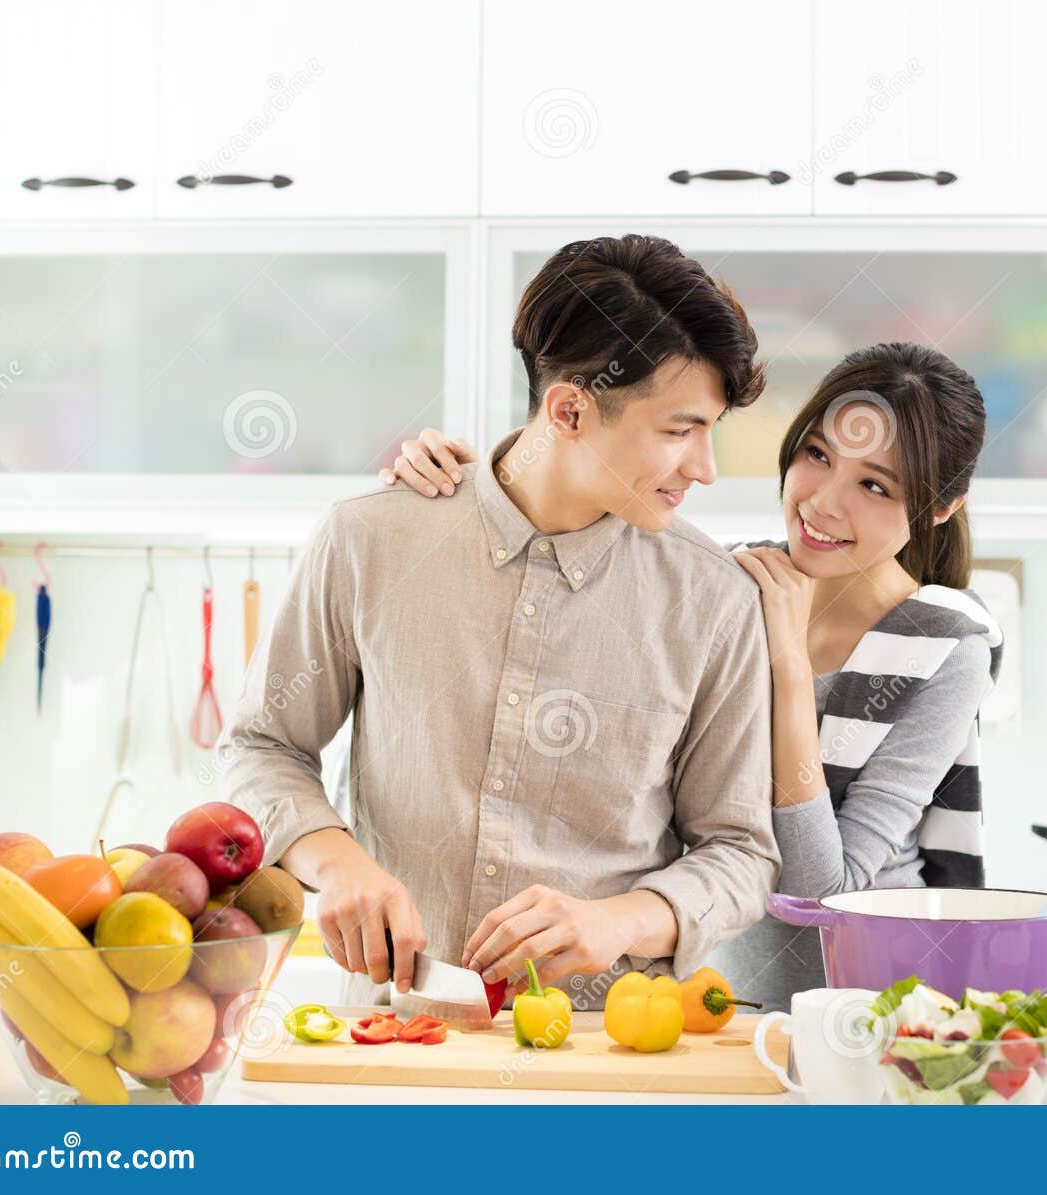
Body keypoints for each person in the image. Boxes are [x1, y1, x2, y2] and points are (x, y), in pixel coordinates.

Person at [223, 234, 781, 1010]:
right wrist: (338, 862)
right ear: (570, 409)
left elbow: (740, 851)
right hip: (393, 1030)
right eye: (678, 430)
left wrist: (617, 920)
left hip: (610, 1044)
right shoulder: (370, 538)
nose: (705, 467)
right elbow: (263, 745)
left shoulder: (714, 600)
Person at [381, 342, 1002, 1009]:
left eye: (875, 486)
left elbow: (823, 894)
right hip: (717, 1007)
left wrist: (789, 667)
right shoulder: (722, 584)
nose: (823, 502)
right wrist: (472, 490)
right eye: (817, 455)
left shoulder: (943, 647)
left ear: (941, 507)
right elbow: (565, 553)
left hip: (872, 1012)